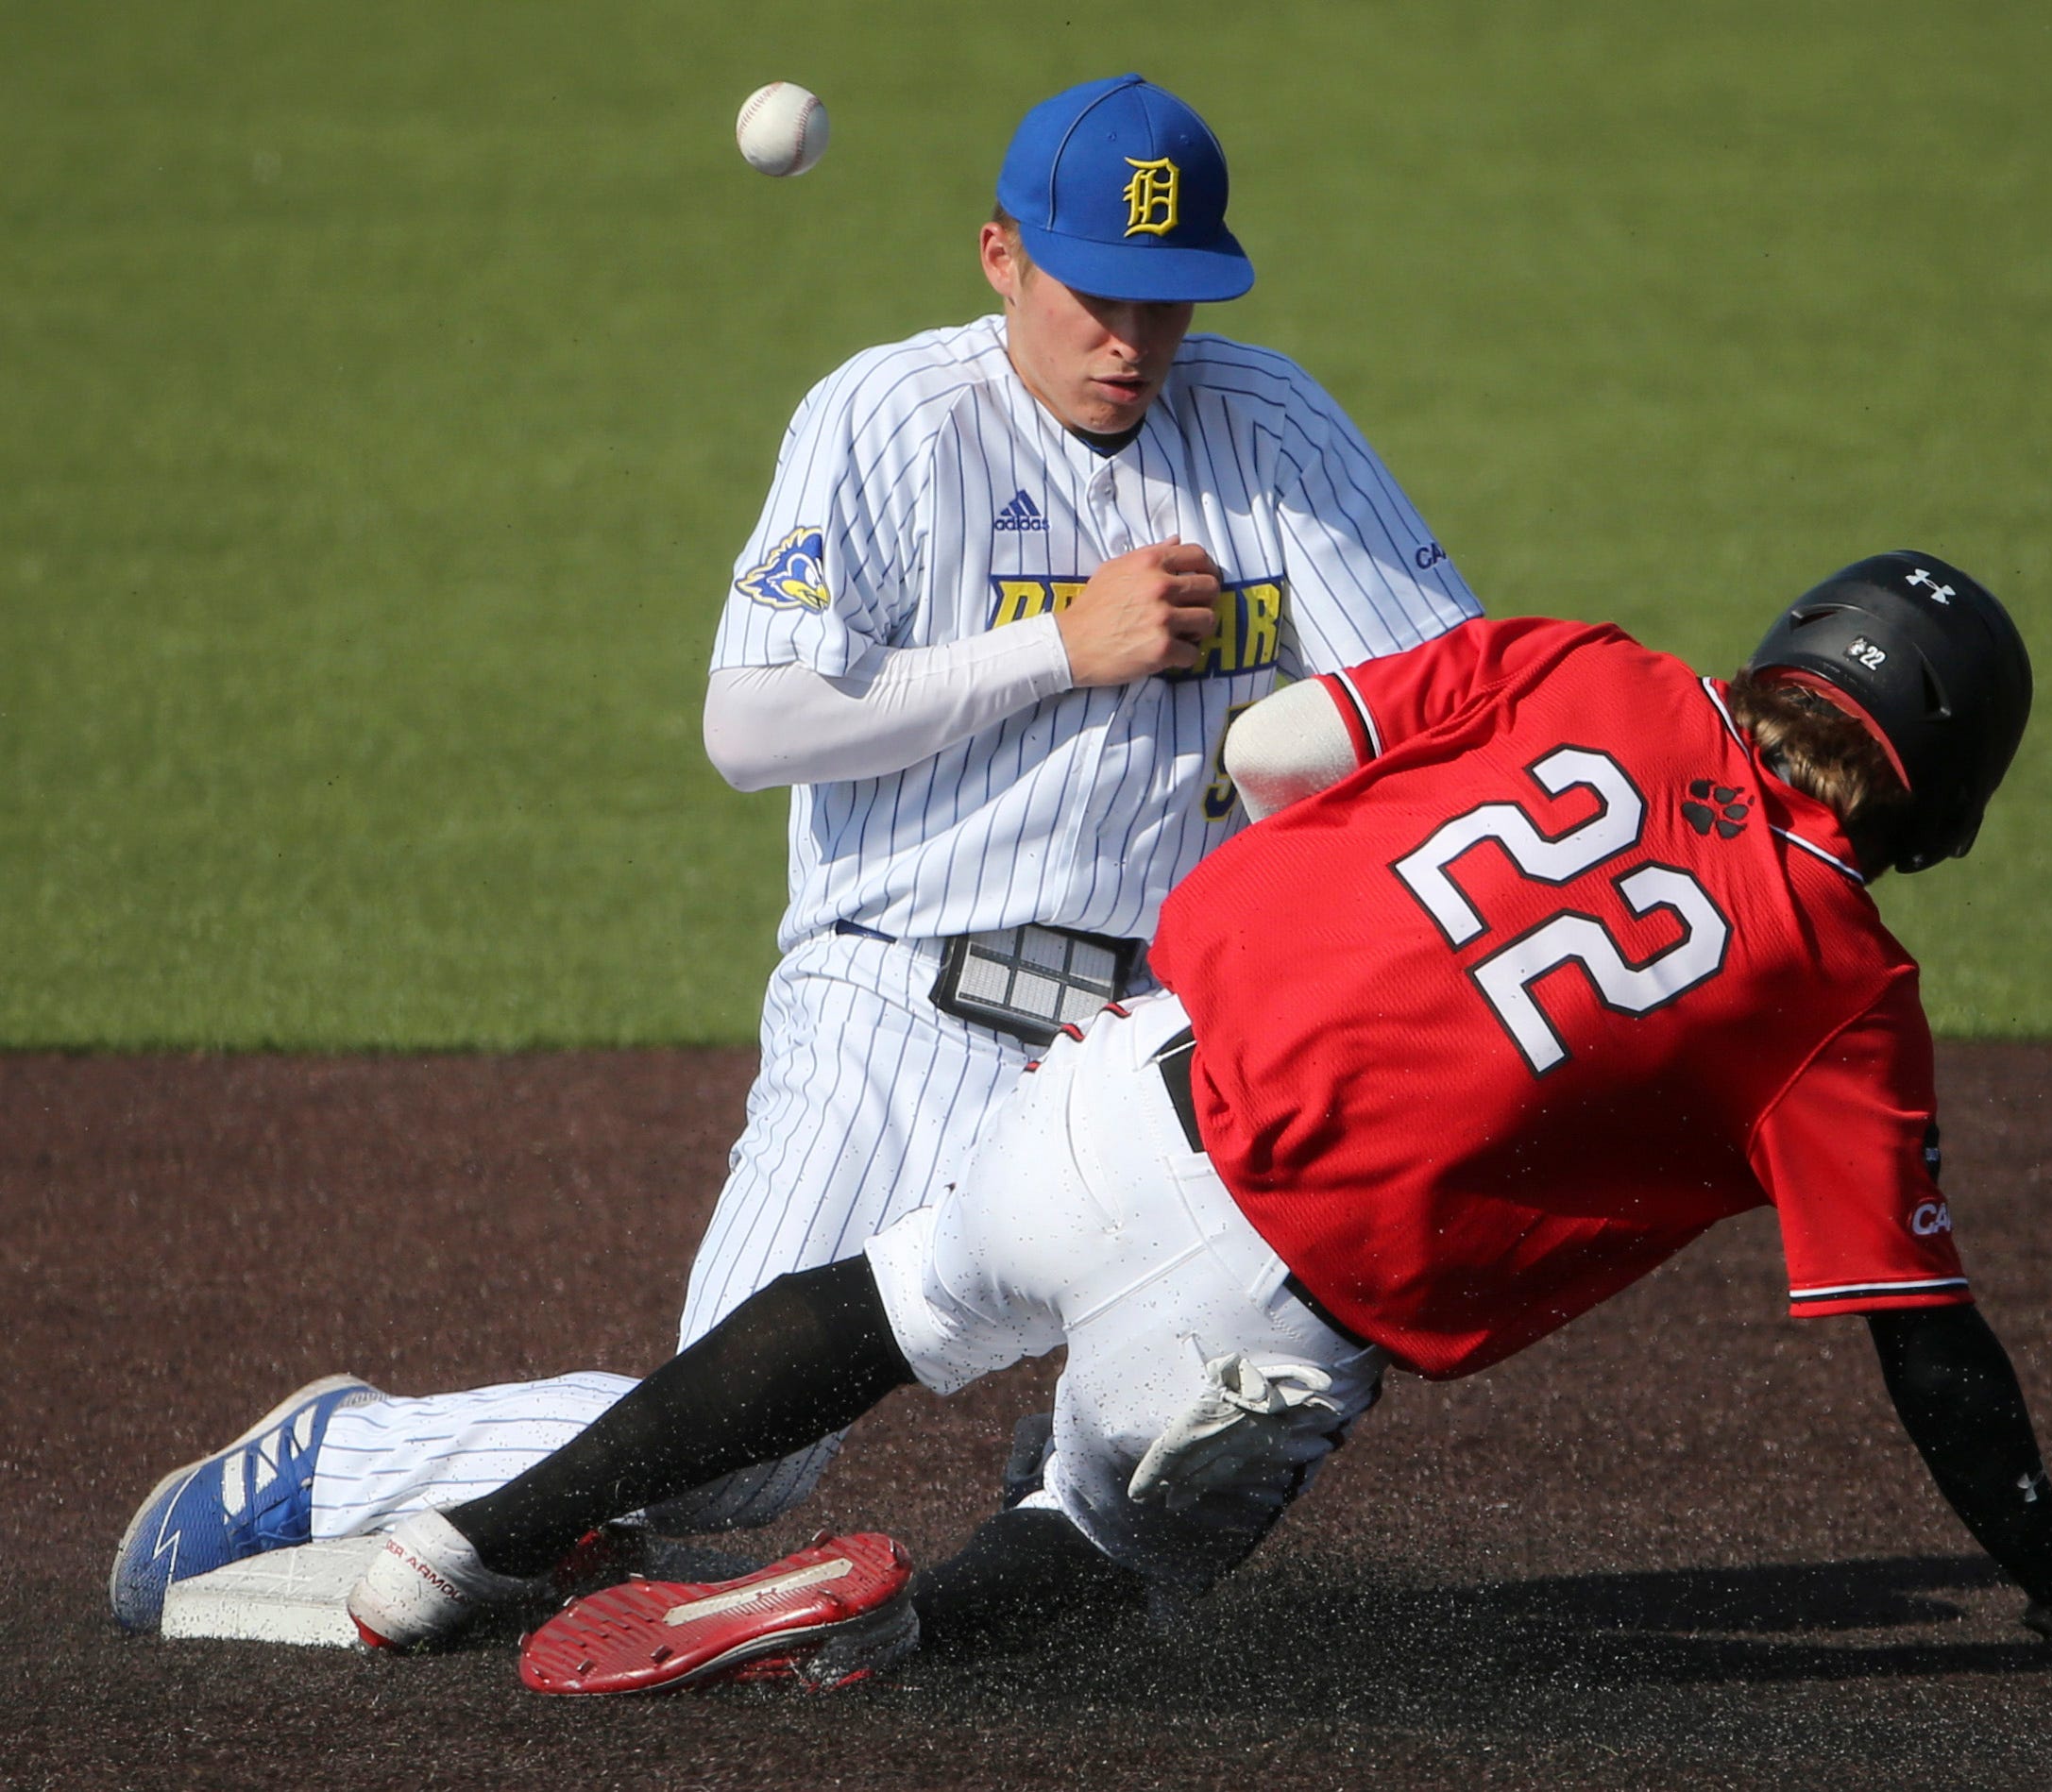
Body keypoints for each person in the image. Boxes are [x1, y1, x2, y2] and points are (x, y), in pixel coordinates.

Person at [340, 552, 2052, 1684]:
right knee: (1112, 1548)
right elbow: (1926, 1343)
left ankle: (471, 1545)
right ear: (1941, 791)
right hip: (1262, 1322)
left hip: (1113, 1102)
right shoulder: (1842, 994)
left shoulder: (1588, 666)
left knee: (892, 1298)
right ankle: (860, 1641)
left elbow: (1270, 748)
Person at [109, 74, 1479, 1633]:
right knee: (731, 1465)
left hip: (1158, 1042)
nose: (1130, 341)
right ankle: (339, 1459)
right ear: (1000, 258)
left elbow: (1443, 703)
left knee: (1198, 1416)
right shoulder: (893, 417)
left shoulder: (1270, 425)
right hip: (905, 1002)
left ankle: (1049, 1547)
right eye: (1094, 295)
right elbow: (752, 721)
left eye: (1165, 302)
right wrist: (1058, 645)